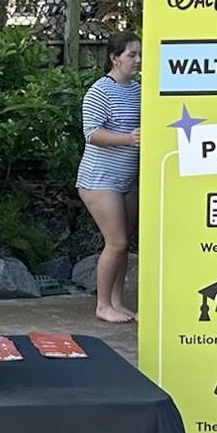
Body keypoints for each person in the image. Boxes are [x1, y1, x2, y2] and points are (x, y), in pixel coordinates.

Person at [77, 31, 141, 324]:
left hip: (127, 180)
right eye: (131, 55)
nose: (138, 60)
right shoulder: (99, 91)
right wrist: (128, 139)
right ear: (115, 58)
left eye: (139, 55)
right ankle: (102, 305)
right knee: (115, 242)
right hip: (99, 180)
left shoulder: (138, 89)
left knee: (124, 245)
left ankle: (117, 302)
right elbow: (92, 133)